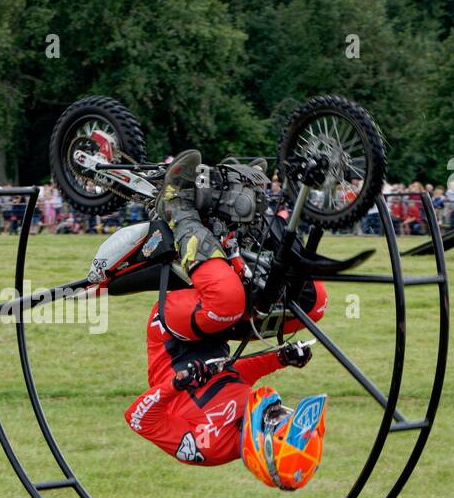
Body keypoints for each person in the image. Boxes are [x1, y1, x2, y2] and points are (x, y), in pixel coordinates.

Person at [121, 150, 328, 479]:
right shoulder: (249, 410)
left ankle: (176, 205)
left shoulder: (205, 447)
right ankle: (242, 208)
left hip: (173, 336)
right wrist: (281, 358)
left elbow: (137, 418)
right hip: (216, 329)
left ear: (262, 444)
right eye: (283, 412)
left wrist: (180, 382)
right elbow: (235, 374)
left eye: (277, 419)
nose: (278, 408)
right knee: (312, 303)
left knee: (228, 302)